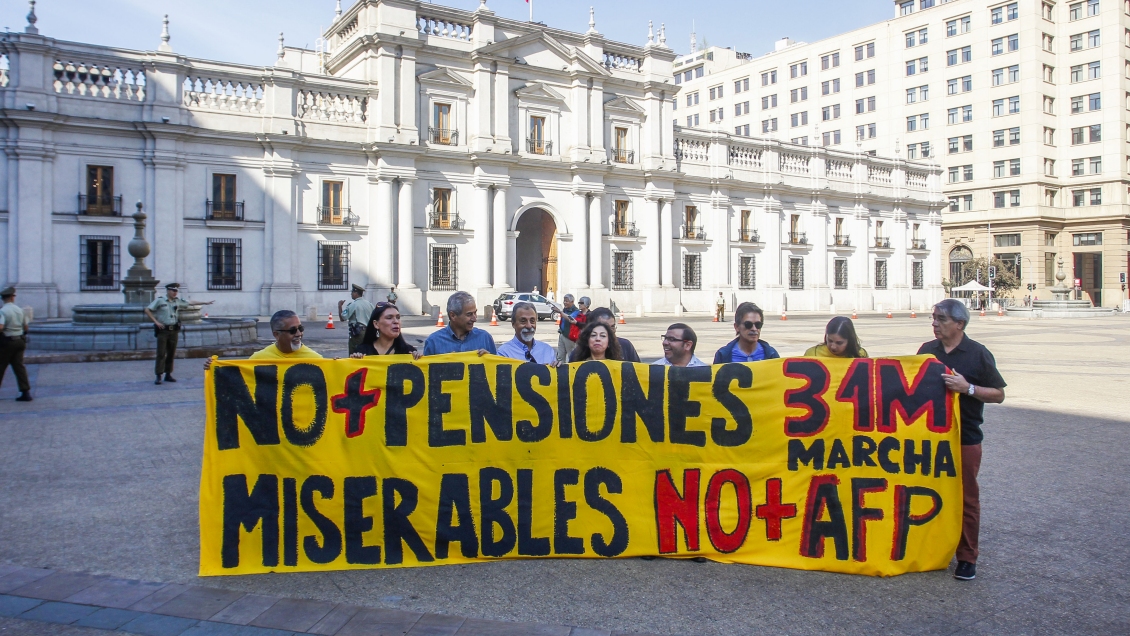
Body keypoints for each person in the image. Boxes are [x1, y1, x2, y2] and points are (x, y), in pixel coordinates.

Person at [918, 299, 1006, 582]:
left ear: (960, 324)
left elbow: (998, 394)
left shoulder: (978, 354)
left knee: (967, 497)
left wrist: (967, 388)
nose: (935, 324)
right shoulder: (926, 351)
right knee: (928, 493)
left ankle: (967, 557)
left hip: (965, 436)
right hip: (932, 437)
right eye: (933, 318)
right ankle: (931, 547)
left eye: (941, 319)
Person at [204, 310, 323, 371]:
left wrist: (337, 367)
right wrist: (214, 368)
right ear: (276, 335)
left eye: (300, 328)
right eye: (292, 331)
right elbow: (238, 382)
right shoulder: (259, 360)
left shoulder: (316, 360)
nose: (299, 334)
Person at [145, 283, 213, 385]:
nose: (175, 293)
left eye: (176, 291)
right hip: (163, 330)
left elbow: (190, 302)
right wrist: (156, 322)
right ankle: (158, 375)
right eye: (173, 291)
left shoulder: (177, 301)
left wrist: (205, 302)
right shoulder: (160, 300)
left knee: (171, 353)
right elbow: (147, 309)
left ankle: (168, 374)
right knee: (161, 353)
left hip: (174, 330)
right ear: (168, 291)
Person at [422, 291, 497, 356]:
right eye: (469, 314)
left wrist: (488, 359)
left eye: (475, 313)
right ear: (453, 315)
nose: (474, 319)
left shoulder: (485, 338)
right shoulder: (434, 342)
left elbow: (496, 370)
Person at [713, 302, 780, 363]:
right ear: (736, 327)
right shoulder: (723, 356)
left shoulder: (772, 355)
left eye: (758, 325)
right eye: (748, 324)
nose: (754, 329)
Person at [568, 307, 641, 363]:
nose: (609, 332)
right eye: (594, 335)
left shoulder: (626, 346)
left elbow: (638, 373)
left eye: (612, 327)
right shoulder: (577, 353)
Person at [352, 302, 420, 359]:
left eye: (398, 317)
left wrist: (418, 359)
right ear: (376, 324)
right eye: (389, 318)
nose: (396, 321)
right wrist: (355, 361)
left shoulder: (408, 352)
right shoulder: (363, 351)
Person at [0, 286, 32, 402]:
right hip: (20, 341)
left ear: (3, 298)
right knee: (19, 367)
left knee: (1, 366)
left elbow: (1, 327)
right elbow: (26, 326)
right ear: (12, 298)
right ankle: (25, 392)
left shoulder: (2, 311)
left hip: (7, 342)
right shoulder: (20, 310)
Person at [804, 316, 868, 358]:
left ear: (850, 341)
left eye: (839, 343)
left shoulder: (861, 355)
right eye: (830, 340)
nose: (833, 346)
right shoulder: (813, 354)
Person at [339, 284, 376, 355]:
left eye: (352, 292)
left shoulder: (353, 304)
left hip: (358, 333)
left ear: (356, 293)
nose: (351, 294)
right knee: (367, 353)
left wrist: (339, 306)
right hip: (369, 332)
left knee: (354, 354)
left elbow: (342, 318)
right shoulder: (369, 304)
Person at [555, 294, 581, 364]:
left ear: (572, 302)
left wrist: (560, 312)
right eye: (564, 301)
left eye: (567, 301)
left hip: (569, 337)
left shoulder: (576, 311)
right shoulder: (565, 310)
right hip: (562, 334)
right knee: (560, 356)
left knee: (571, 356)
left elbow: (570, 318)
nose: (565, 303)